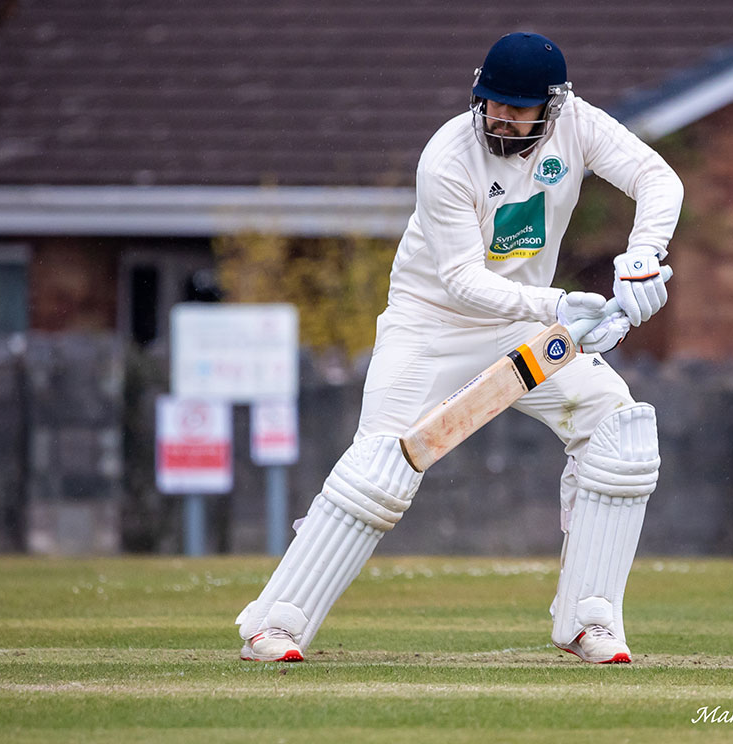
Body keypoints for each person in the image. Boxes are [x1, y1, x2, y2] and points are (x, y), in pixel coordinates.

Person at [236, 32, 683, 664]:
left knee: (620, 430)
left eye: (515, 108)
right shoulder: (447, 157)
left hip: (522, 323)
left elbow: (657, 178)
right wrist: (558, 308)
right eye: (490, 102)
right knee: (379, 470)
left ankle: (589, 620)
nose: (498, 117)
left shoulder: (578, 126)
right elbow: (463, 282)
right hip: (431, 325)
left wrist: (643, 257)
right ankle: (275, 624)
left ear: (552, 105)